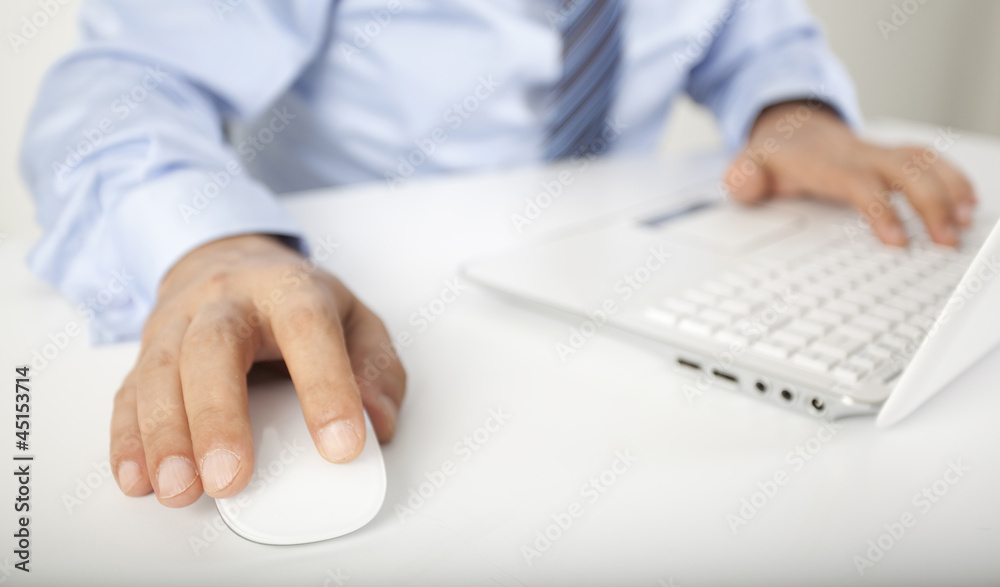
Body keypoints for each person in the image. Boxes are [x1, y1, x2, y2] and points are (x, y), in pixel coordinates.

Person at [20, 0, 976, 508]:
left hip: (629, 294)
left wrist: (789, 113)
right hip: (359, 306)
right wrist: (210, 245)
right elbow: (123, 85)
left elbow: (744, 29)